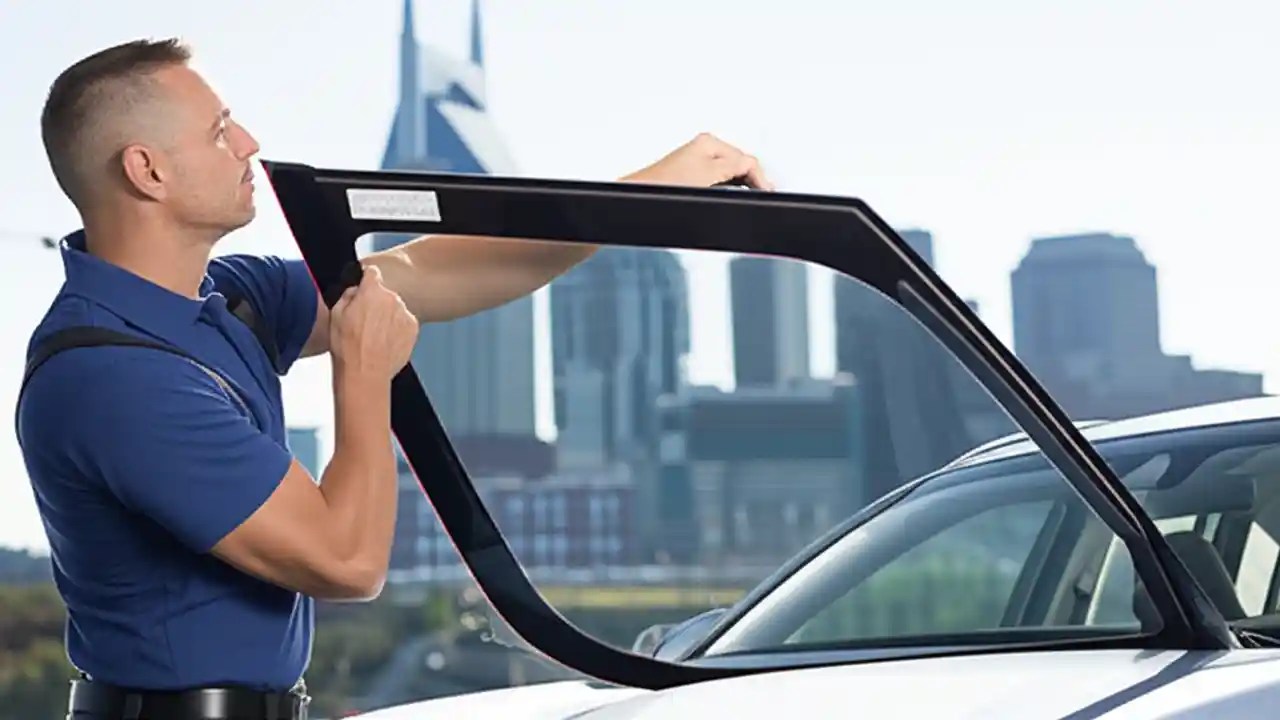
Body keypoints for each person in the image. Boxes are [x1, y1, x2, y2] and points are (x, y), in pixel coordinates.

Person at [15, 37, 773, 720]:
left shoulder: (227, 300)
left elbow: (423, 269)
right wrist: (362, 373)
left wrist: (644, 193)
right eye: (219, 131)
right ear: (147, 170)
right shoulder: (112, 378)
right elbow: (346, 561)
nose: (248, 143)